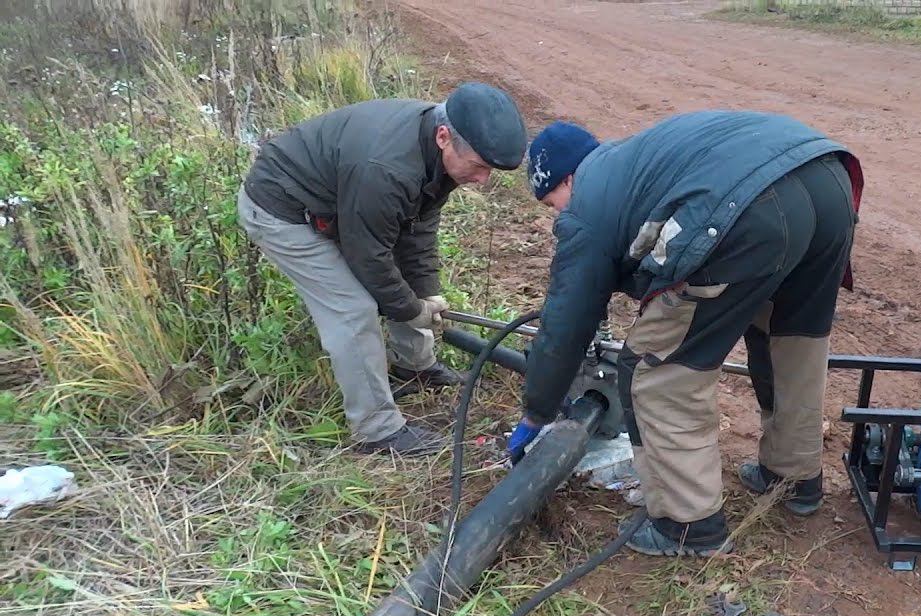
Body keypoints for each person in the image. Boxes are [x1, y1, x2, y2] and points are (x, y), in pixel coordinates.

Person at [509, 112, 863, 556]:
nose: (556, 217)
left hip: (754, 203)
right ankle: (793, 479)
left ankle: (687, 526)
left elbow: (564, 323)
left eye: (550, 204)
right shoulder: (631, 163)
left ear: (564, 180)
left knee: (655, 371)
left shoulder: (586, 204)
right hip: (825, 176)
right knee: (789, 340)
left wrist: (536, 412)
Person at [237, 83, 527, 456]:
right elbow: (369, 258)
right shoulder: (388, 168)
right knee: (352, 310)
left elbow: (418, 222)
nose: (483, 180)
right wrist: (410, 309)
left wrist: (427, 290)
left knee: (408, 286)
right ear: (443, 137)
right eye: (479, 167)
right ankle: (376, 430)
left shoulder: (438, 144)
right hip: (283, 210)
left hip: (344, 203)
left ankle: (414, 368)